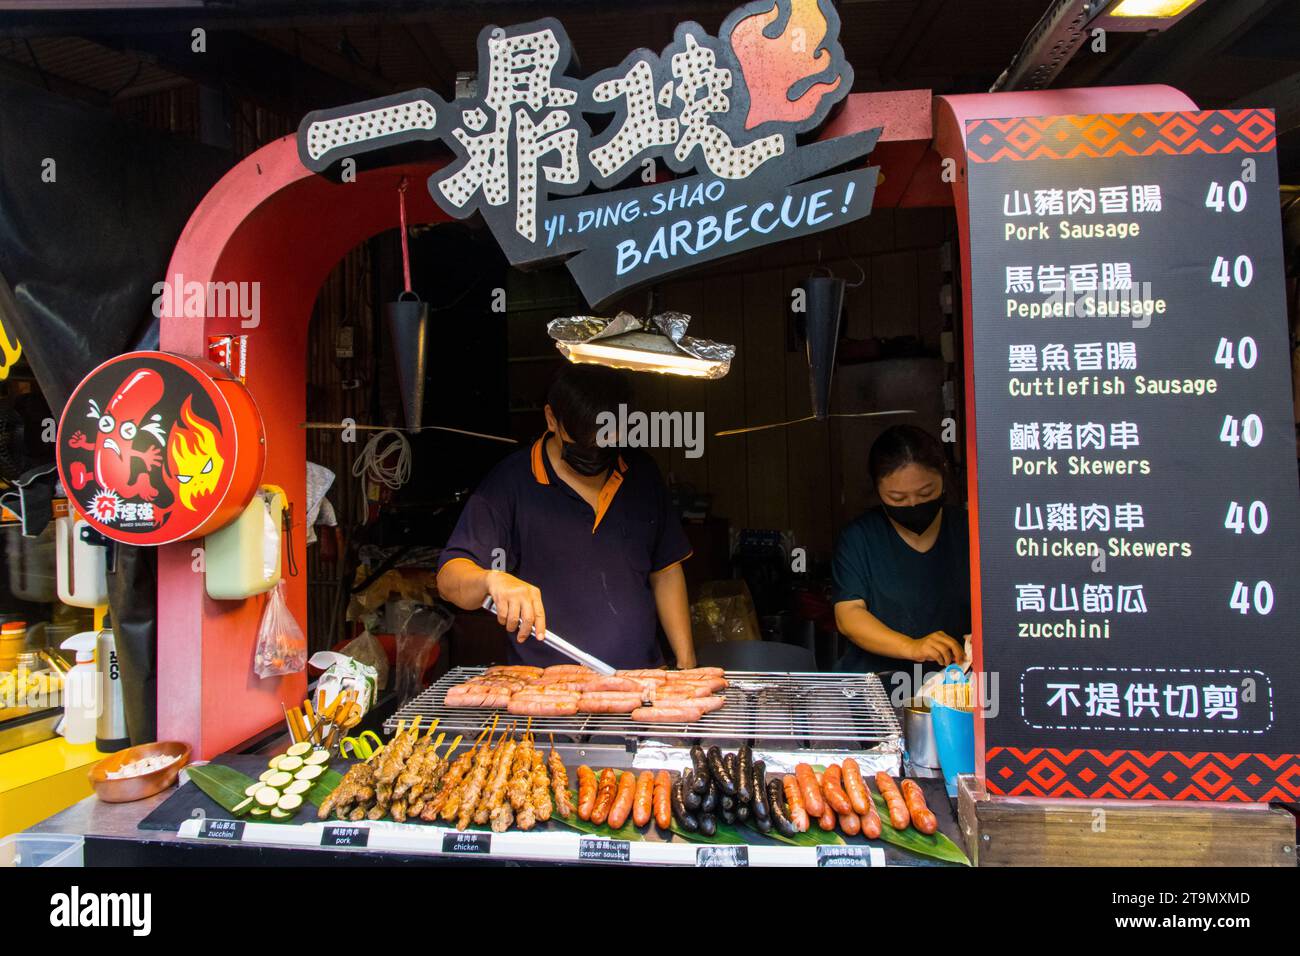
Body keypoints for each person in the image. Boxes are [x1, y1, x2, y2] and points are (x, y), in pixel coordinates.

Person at [436, 364, 696, 669]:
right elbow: (448, 580)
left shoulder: (642, 473)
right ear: (551, 419)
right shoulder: (509, 484)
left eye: (607, 441)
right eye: (583, 443)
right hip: (549, 687)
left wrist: (686, 663)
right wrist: (491, 579)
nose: (596, 451)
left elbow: (666, 571)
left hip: (644, 680)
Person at [832, 424, 969, 678]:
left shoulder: (969, 530)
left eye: (926, 492)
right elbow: (848, 616)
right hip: (876, 685)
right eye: (898, 498)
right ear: (877, 489)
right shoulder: (859, 538)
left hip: (954, 684)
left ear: (943, 475)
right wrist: (912, 647)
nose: (914, 504)